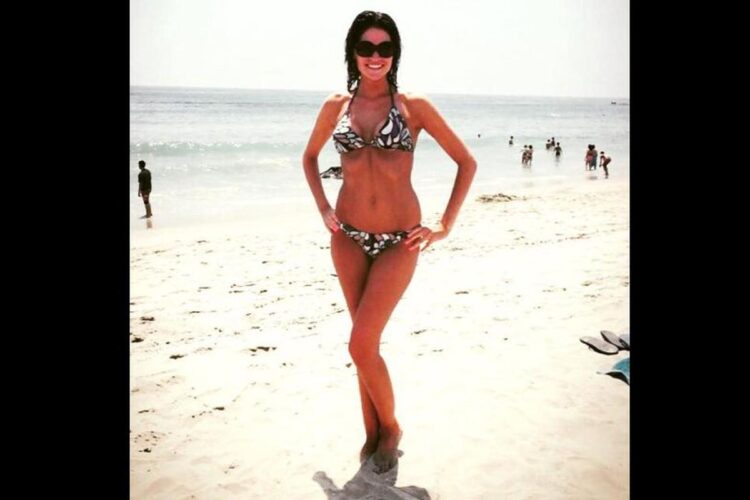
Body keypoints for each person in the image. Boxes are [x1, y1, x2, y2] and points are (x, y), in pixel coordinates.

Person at [302, 10, 477, 474]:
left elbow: (466, 162)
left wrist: (444, 224)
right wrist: (323, 207)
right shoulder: (335, 106)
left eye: (384, 48)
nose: (375, 56)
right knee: (364, 341)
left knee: (361, 344)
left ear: (395, 53)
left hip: (401, 240)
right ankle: (371, 431)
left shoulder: (412, 106)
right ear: (353, 53)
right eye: (366, 47)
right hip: (348, 236)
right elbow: (309, 157)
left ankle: (392, 427)